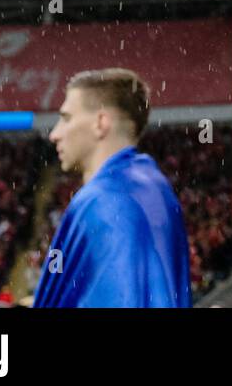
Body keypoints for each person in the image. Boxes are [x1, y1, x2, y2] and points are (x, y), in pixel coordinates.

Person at [32, 68, 191, 308]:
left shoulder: (106, 202)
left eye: (66, 118)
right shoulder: (156, 189)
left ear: (100, 123)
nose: (55, 134)